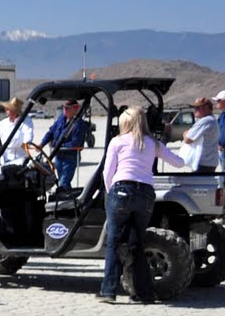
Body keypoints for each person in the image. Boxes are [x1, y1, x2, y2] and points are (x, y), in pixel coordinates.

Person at [98, 108, 187, 303]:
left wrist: (111, 191)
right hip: (146, 194)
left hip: (122, 190)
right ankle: (143, 293)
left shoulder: (118, 141)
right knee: (136, 244)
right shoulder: (152, 143)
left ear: (125, 124)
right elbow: (179, 163)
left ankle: (108, 291)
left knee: (113, 241)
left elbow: (107, 172)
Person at [41, 99, 90, 191]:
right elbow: (51, 132)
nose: (65, 110)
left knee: (64, 182)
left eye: (68, 108)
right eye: (64, 108)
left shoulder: (79, 124)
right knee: (61, 181)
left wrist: (60, 146)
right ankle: (68, 198)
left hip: (70, 158)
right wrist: (42, 144)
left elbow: (76, 143)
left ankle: (65, 200)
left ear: (75, 109)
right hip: (59, 157)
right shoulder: (61, 120)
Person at [179, 97, 219, 173]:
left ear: (206, 108)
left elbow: (188, 139)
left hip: (203, 163)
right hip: (207, 162)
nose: (195, 110)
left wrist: (185, 133)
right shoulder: (210, 120)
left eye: (197, 108)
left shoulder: (206, 120)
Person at [0, 97, 34, 166]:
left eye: (8, 109)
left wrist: (25, 143)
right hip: (4, 157)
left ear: (14, 111)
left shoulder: (26, 121)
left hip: (19, 158)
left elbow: (28, 134)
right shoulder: (3, 123)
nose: (6, 110)